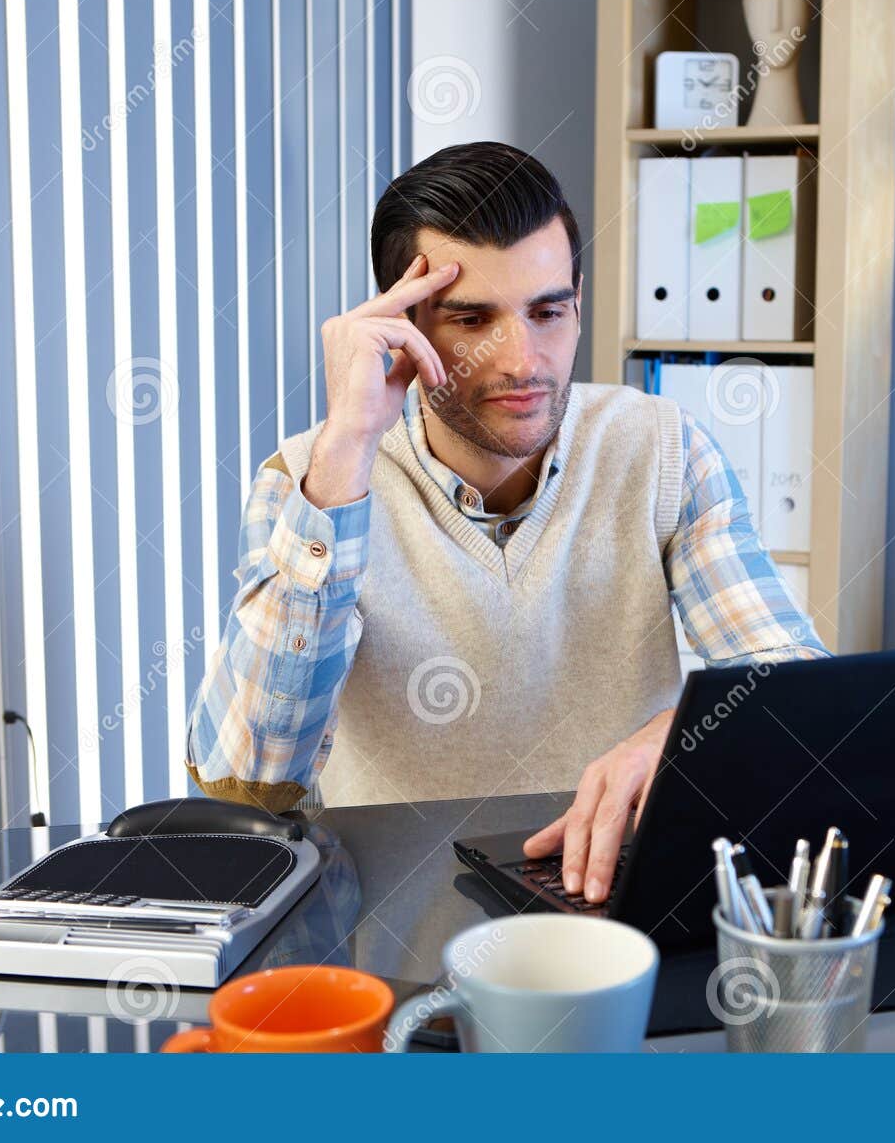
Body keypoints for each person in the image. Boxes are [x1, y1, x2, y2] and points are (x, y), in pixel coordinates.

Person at [187, 141, 826, 904]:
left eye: (548, 311)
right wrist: (348, 448)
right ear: (402, 322)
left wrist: (682, 736)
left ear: (579, 305)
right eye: (472, 318)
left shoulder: (664, 448)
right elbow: (251, 783)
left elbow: (796, 686)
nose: (522, 359)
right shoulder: (308, 479)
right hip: (385, 933)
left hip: (612, 918)